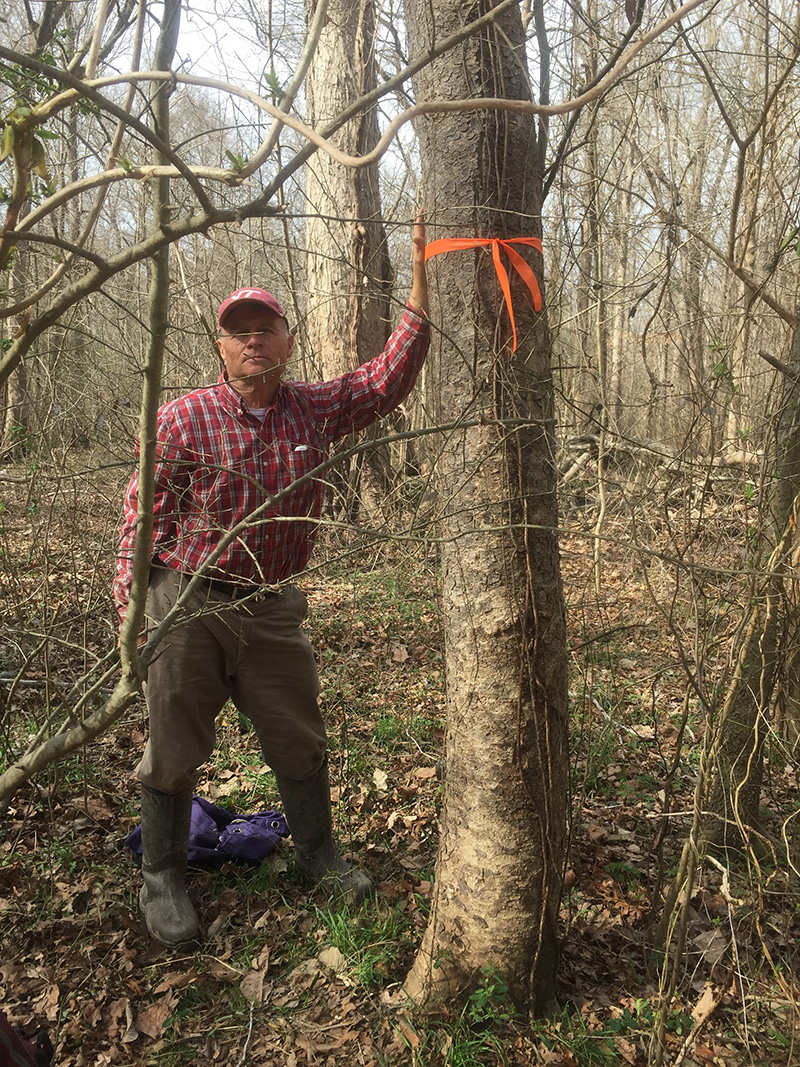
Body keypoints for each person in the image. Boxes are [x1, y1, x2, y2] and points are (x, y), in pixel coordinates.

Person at [114, 212, 429, 946]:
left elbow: (386, 378)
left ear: (288, 341)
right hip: (186, 601)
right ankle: (162, 876)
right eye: (239, 332)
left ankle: (317, 855)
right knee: (173, 746)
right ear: (221, 348)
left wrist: (418, 275)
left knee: (298, 736)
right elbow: (141, 518)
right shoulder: (183, 419)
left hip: (272, 606)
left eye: (266, 329)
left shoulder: (312, 410)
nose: (253, 341)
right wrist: (132, 616)